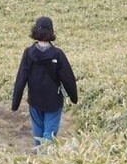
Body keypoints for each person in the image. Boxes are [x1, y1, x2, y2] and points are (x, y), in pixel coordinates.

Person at [10, 15, 77, 145]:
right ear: (51, 32)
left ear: (35, 31)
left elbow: (21, 78)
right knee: (49, 135)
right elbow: (68, 78)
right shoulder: (58, 54)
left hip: (34, 100)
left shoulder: (28, 53)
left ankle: (39, 157)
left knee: (38, 134)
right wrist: (74, 98)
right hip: (53, 101)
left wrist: (15, 103)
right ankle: (46, 156)